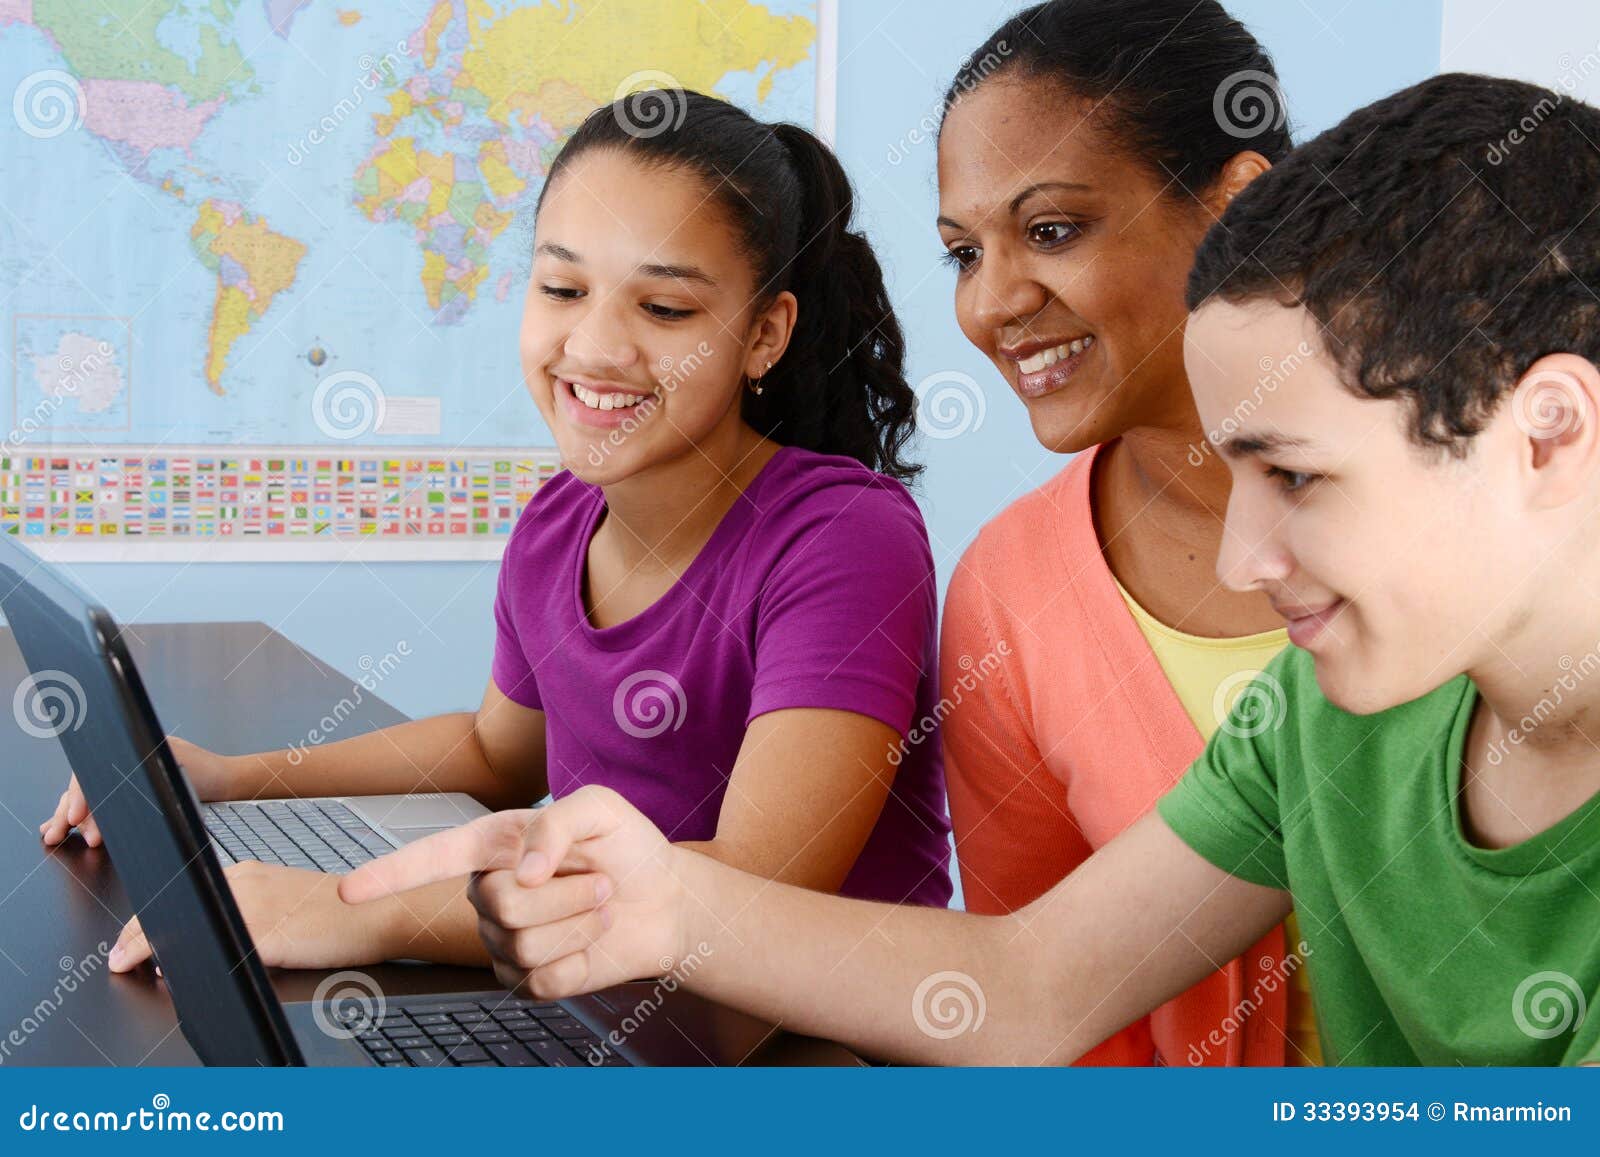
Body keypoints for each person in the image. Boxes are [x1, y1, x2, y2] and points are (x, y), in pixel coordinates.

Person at [344, 72, 1600, 1067]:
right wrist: (662, 901)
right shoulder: (1319, 715)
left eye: (1299, 475)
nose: (1240, 555)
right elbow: (1031, 986)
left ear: (1547, 430)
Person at [45, 90, 954, 971]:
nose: (595, 346)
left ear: (764, 335)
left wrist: (347, 910)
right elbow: (494, 752)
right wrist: (230, 774)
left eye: (665, 308)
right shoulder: (557, 521)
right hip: (623, 996)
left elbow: (750, 891)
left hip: (817, 1052)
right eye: (563, 287)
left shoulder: (844, 536)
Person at [938, 0, 1305, 1063]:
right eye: (963, 251)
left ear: (1237, 207)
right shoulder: (1007, 591)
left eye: (1050, 230)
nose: (990, 302)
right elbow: (1048, 1012)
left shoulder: (1485, 504)